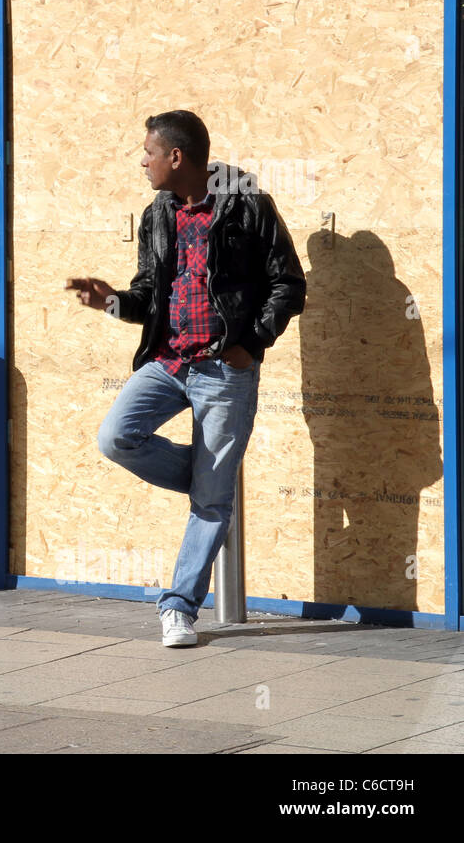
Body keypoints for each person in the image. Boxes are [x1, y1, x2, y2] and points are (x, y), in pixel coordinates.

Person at [67, 110, 306, 648]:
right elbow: (149, 294)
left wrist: (252, 344)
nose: (142, 160)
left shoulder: (247, 205)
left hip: (225, 368)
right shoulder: (158, 213)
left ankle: (179, 608)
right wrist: (110, 303)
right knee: (117, 438)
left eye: (147, 151)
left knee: (211, 500)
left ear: (176, 157)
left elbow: (288, 284)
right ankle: (210, 485)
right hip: (168, 362)